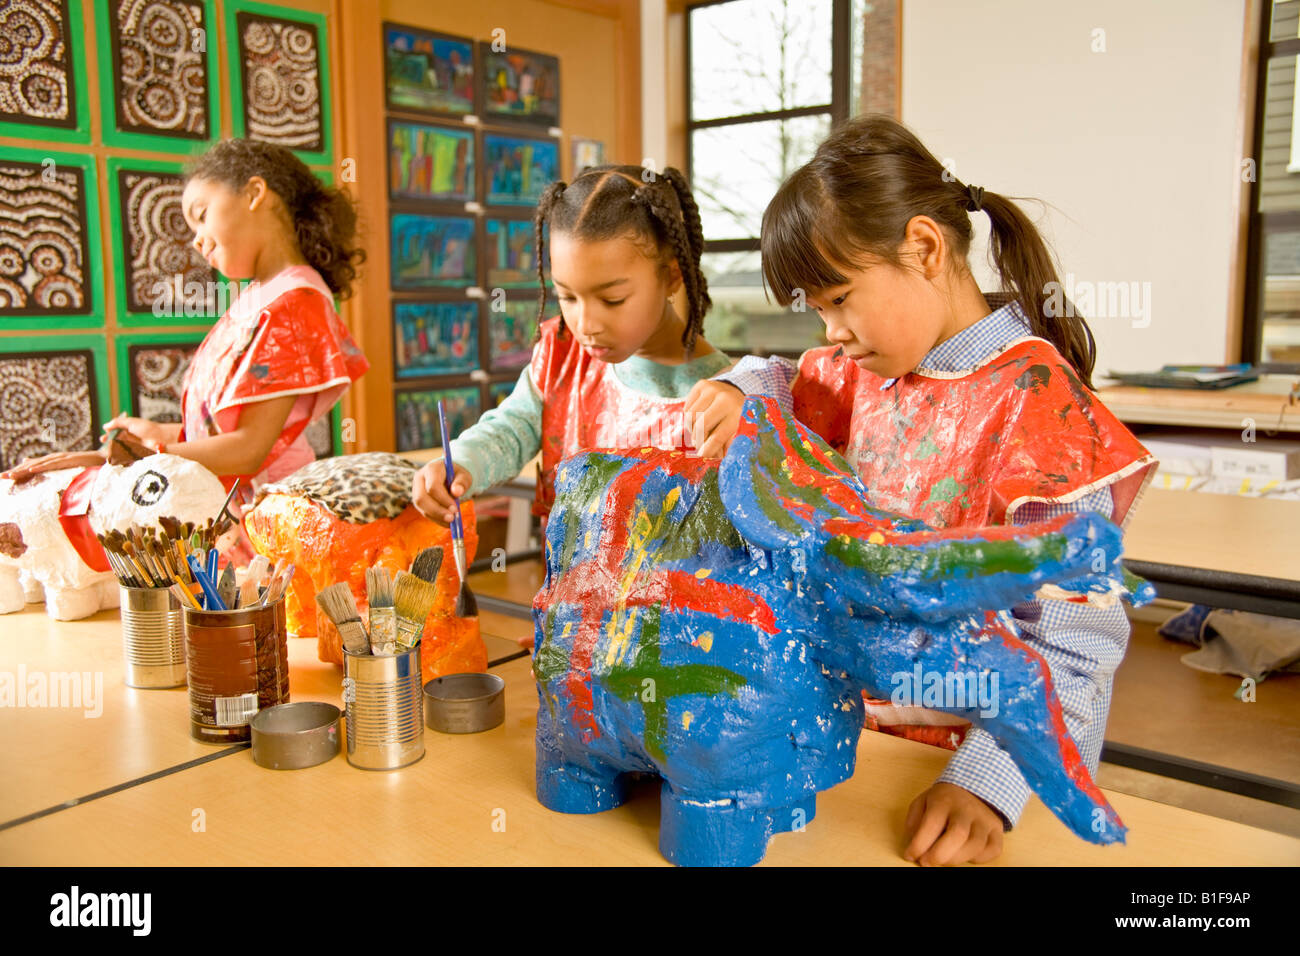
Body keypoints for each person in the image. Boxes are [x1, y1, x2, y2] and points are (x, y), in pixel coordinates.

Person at [687, 115, 1156, 866]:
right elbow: (781, 380)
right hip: (842, 745)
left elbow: (1074, 644)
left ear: (925, 248)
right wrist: (738, 386)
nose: (830, 331)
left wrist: (988, 784)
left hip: (950, 770)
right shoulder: (864, 369)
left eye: (839, 298)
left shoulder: (1038, 408)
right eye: (816, 309)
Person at [2, 139, 369, 498]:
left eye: (201, 214)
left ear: (256, 192)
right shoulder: (264, 296)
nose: (196, 241)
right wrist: (157, 434)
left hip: (264, 512)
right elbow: (225, 434)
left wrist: (120, 462)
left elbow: (248, 450)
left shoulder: (296, 300)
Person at [412, 164, 738, 528]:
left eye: (612, 299)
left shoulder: (725, 395)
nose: (585, 325)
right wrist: (461, 461)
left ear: (672, 276)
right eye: (566, 296)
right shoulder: (561, 356)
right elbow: (512, 427)